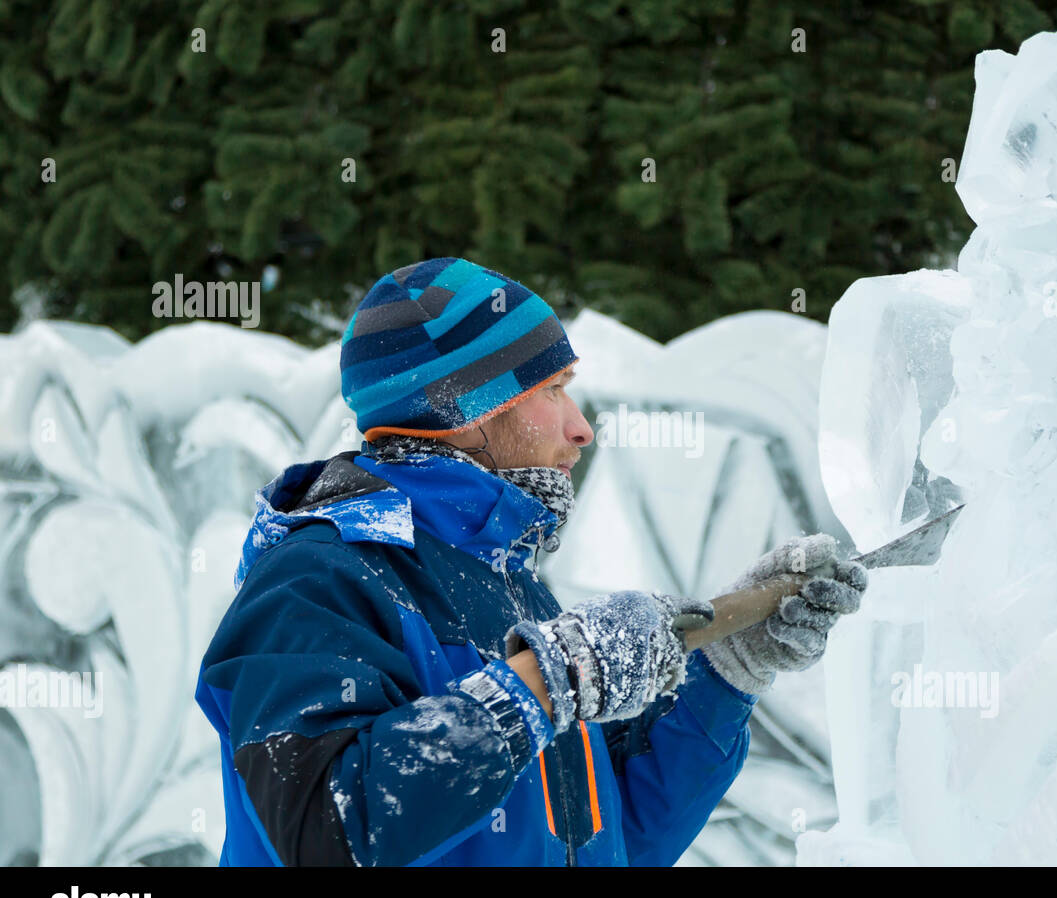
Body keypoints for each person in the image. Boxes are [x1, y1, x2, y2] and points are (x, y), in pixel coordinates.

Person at [195, 255, 868, 866]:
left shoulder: (508, 587)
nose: (582, 427)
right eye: (552, 390)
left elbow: (616, 842)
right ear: (464, 408)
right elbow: (329, 831)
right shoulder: (317, 581)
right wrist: (547, 682)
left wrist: (725, 676)